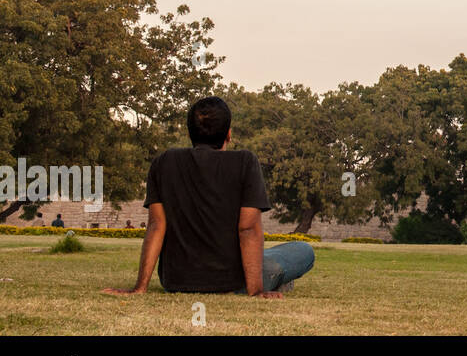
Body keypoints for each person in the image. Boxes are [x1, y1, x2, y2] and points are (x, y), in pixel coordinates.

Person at [103, 96, 314, 298]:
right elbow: (247, 228)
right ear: (228, 134)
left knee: (270, 256)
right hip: (231, 282)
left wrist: (139, 287)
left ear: (190, 133)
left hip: (176, 281)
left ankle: (274, 278)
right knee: (302, 250)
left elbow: (157, 226)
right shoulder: (245, 162)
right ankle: (274, 280)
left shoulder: (164, 162)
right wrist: (257, 291)